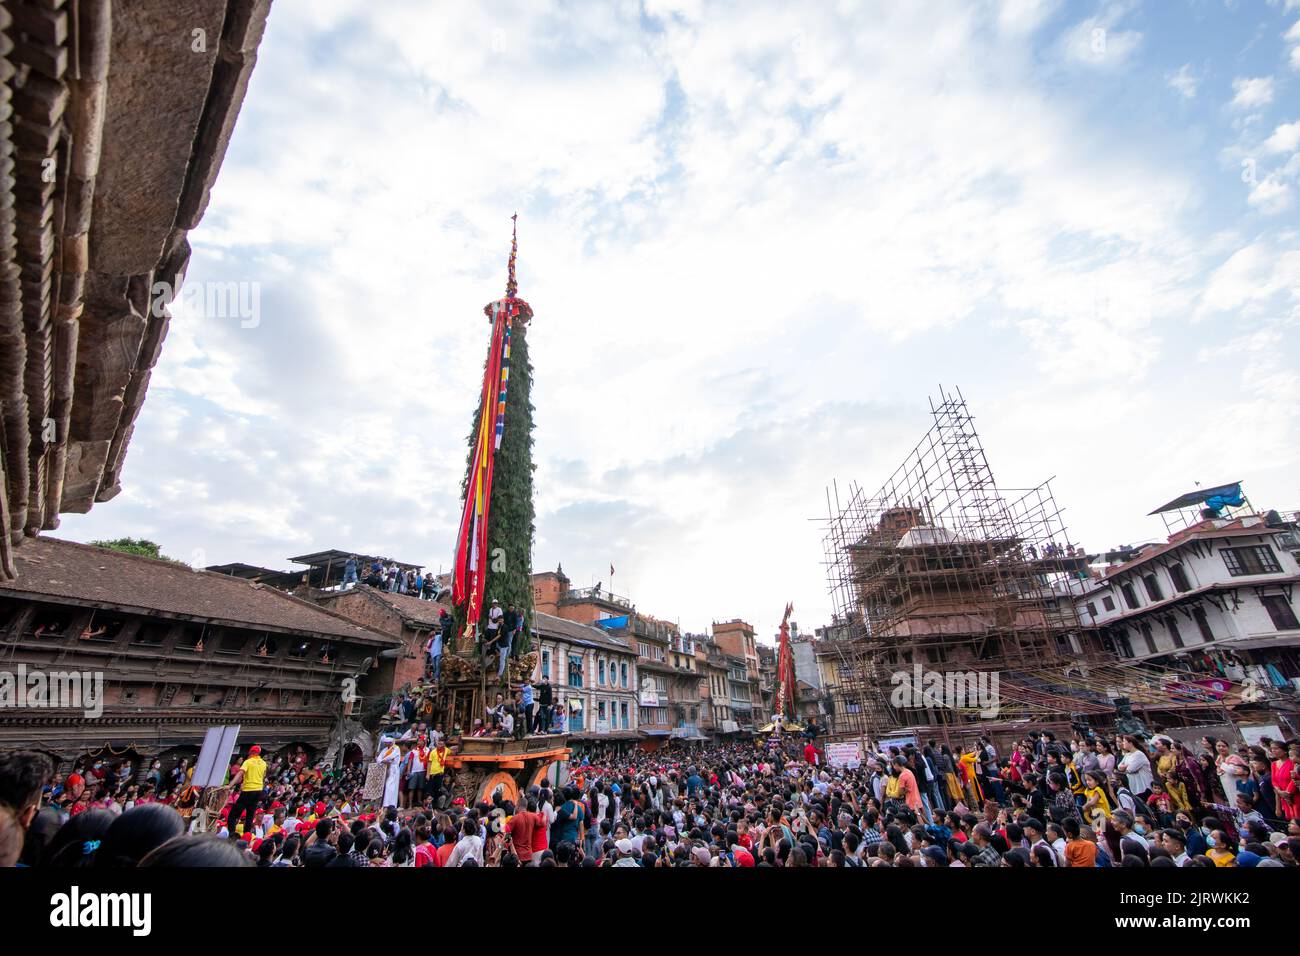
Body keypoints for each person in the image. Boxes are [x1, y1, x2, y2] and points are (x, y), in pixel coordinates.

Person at [227, 745, 266, 839]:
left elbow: (240, 774)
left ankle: (232, 836)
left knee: (232, 815)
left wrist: (230, 785)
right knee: (250, 815)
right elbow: (263, 776)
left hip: (248, 790)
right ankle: (247, 836)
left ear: (252, 753)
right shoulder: (263, 763)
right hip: (258, 790)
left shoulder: (248, 762)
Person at [375, 737, 402, 809]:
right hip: (384, 769)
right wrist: (382, 761)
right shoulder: (385, 749)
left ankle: (389, 804)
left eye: (387, 743)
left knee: (390, 786)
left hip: (393, 769)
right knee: (384, 786)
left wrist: (383, 760)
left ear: (390, 742)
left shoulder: (396, 748)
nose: (385, 744)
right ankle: (383, 804)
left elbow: (391, 757)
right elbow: (378, 759)